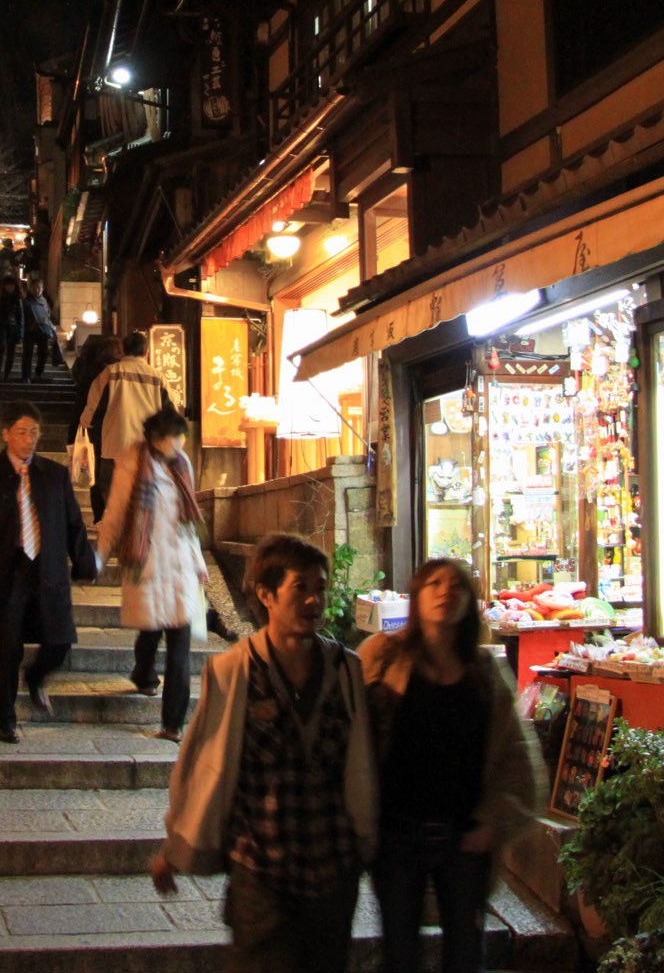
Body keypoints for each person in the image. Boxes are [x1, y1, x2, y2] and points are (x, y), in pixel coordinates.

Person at [150, 534, 376, 973]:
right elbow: (203, 764)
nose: (315, 599)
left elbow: (361, 761)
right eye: (301, 587)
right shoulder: (233, 670)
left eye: (321, 587)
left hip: (333, 866)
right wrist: (175, 848)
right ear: (266, 594)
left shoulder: (346, 670)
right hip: (260, 871)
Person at [360, 559, 544, 973]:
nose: (446, 592)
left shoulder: (483, 673)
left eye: (457, 586)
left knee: (464, 949)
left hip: (465, 837)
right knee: (400, 949)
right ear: (417, 596)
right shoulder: (382, 658)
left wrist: (493, 822)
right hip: (396, 832)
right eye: (435, 584)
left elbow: (515, 755)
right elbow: (352, 737)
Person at [0, 401, 100, 744]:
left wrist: (84, 563)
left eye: (34, 432)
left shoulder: (54, 475)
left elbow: (73, 524)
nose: (29, 439)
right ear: (6, 434)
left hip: (46, 568)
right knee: (6, 647)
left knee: (60, 639)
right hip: (4, 573)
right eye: (22, 432)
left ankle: (36, 676)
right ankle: (3, 720)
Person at [101, 407, 210, 741]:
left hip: (179, 566)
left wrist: (200, 562)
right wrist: (99, 553)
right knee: (150, 632)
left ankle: (172, 723)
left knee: (180, 645)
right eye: (173, 437)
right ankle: (143, 673)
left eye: (181, 437)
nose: (179, 444)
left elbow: (187, 521)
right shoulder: (131, 464)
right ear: (155, 438)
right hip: (146, 562)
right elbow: (117, 512)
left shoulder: (182, 465)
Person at [79, 331, 175, 528]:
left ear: (124, 350)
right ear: (146, 352)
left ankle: (111, 524)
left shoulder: (111, 373)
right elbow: (171, 414)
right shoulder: (158, 378)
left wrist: (86, 423)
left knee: (110, 489)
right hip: (147, 448)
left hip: (115, 443)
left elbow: (94, 407)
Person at [0, 273, 27, 382]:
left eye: (12, 285)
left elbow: (20, 317)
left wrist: (20, 332)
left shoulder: (17, 299)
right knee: (2, 347)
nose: (10, 287)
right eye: (8, 285)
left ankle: (6, 375)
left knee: (11, 352)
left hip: (13, 328)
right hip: (1, 326)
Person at [22, 279, 62, 382]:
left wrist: (51, 327)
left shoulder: (44, 301)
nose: (36, 290)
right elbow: (22, 317)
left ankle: (38, 373)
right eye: (34, 288)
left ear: (42, 289)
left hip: (42, 331)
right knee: (28, 354)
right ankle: (26, 376)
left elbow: (47, 316)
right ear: (31, 288)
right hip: (29, 331)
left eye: (39, 288)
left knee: (44, 353)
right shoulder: (26, 301)